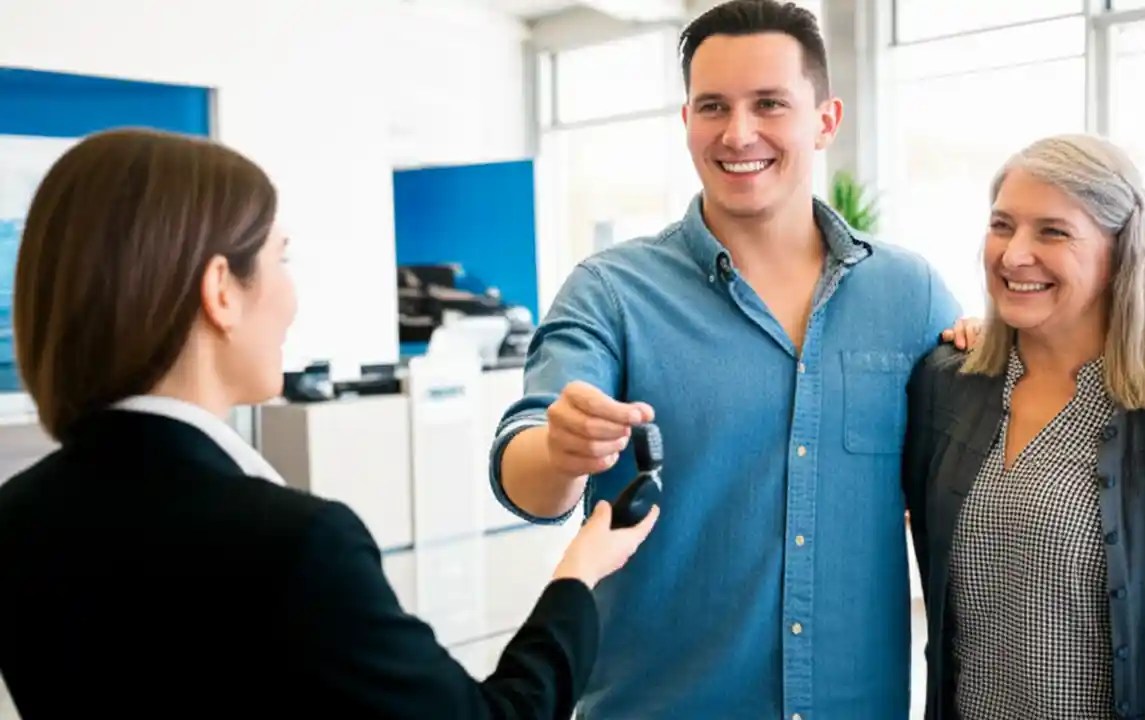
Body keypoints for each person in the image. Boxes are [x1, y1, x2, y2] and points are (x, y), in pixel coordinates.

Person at [0, 128, 658, 719]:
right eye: (281, 258)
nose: (292, 297)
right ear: (221, 290)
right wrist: (577, 577)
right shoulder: (293, 545)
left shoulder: (18, 518)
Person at [488, 1, 974, 717]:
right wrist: (561, 452)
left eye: (769, 104)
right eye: (713, 106)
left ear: (825, 120)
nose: (738, 133)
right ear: (687, 119)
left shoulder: (910, 295)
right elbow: (528, 476)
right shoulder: (611, 292)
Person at [903, 133, 1145, 719]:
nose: (1013, 255)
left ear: (1121, 252)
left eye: (1053, 231)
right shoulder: (945, 384)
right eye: (1002, 225)